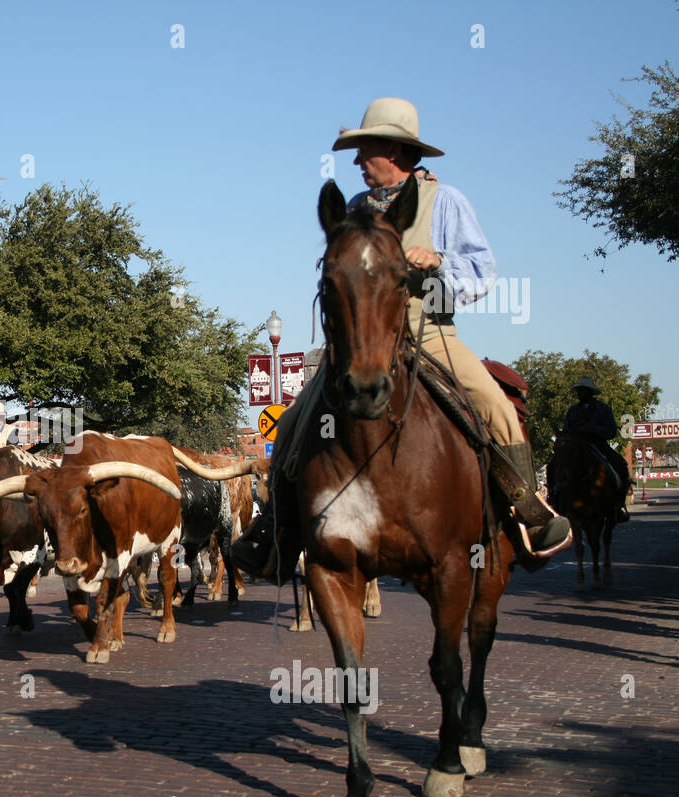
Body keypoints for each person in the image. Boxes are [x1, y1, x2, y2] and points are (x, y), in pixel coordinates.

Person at [234, 97, 570, 581]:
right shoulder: (354, 208)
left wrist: (438, 266)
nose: (355, 162)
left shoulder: (446, 201)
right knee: (292, 421)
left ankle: (528, 510)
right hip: (364, 338)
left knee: (492, 402)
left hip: (427, 331)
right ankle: (275, 531)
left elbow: (482, 270)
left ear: (392, 149)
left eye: (363, 149)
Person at [554, 377, 633, 521]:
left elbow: (611, 431)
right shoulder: (573, 411)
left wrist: (594, 429)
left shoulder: (603, 409)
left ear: (590, 392)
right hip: (575, 445)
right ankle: (555, 502)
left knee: (621, 465)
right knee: (555, 465)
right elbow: (567, 428)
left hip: (598, 445)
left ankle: (618, 505)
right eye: (578, 391)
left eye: (581, 391)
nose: (579, 394)